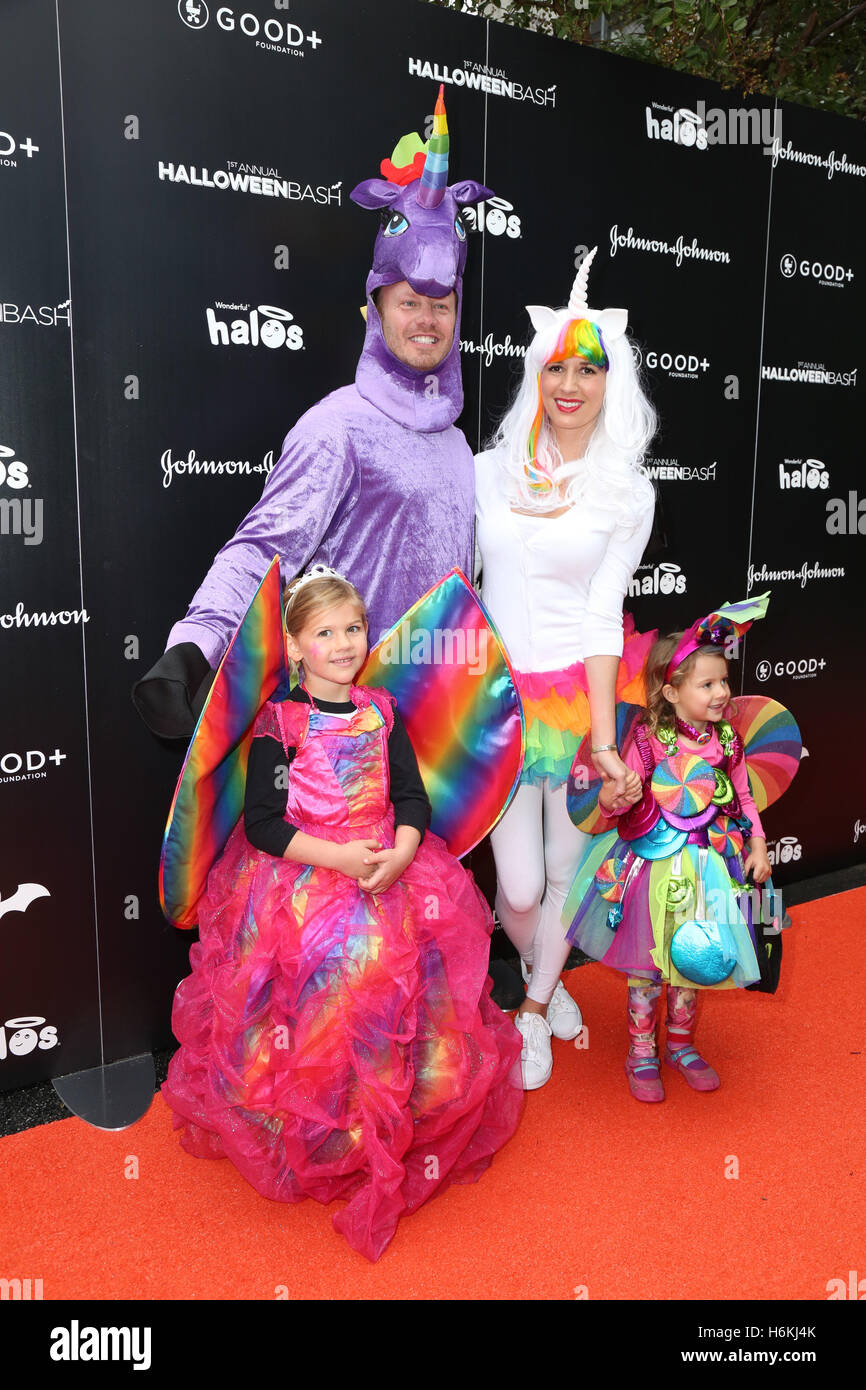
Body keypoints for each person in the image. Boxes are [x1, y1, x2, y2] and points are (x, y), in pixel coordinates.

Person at [161, 567, 523, 1262]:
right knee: (325, 986)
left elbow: (412, 799)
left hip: (387, 871)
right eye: (324, 633)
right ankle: (318, 1124)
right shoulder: (279, 725)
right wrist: (336, 859)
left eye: (352, 629)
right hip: (303, 880)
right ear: (294, 647)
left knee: (390, 986)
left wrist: (401, 850)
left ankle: (382, 1116)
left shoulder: (381, 712)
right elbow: (265, 824)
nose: (343, 643)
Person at [132, 88, 490, 741]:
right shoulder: (338, 426)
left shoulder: (459, 447)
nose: (427, 319)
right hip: (340, 746)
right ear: (377, 308)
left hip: (436, 735)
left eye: (442, 306)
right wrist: (195, 644)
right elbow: (264, 550)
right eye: (410, 301)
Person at [474, 248, 657, 1088]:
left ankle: (538, 1007)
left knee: (561, 873)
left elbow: (599, 614)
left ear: (612, 382)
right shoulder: (484, 475)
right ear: (535, 378)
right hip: (495, 702)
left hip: (579, 701)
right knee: (515, 889)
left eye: (590, 368)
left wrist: (603, 738)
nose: (572, 383)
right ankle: (542, 968)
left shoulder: (628, 491)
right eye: (558, 368)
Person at [562, 599, 771, 1102]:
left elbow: (742, 797)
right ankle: (641, 1051)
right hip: (650, 866)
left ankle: (680, 1044)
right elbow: (614, 802)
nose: (722, 692)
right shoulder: (648, 741)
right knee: (647, 965)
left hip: (708, 866)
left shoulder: (729, 742)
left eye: (724, 681)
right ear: (672, 691)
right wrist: (619, 794)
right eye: (707, 684)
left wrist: (759, 841)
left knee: (694, 957)